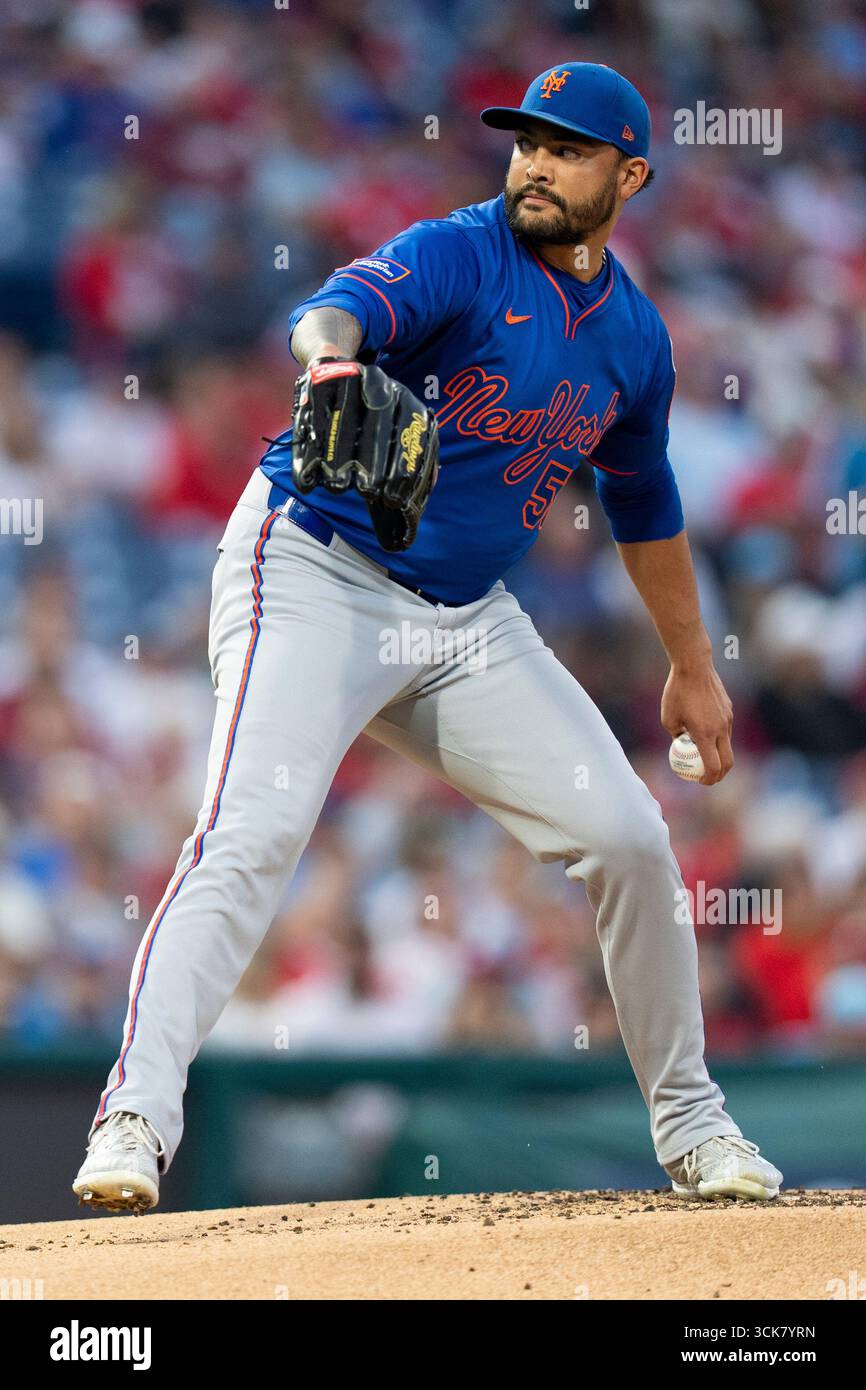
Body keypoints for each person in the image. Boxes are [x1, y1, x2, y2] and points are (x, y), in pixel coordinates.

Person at [73, 63, 782, 1212]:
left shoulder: (633, 342)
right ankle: (135, 1119)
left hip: (460, 619)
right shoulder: (461, 250)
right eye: (525, 142)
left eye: (566, 148)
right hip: (311, 570)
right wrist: (332, 356)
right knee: (250, 833)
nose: (535, 164)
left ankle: (694, 1126)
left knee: (631, 839)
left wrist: (693, 670)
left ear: (629, 174)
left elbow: (643, 506)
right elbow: (336, 308)